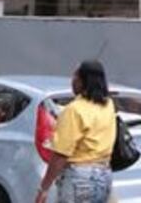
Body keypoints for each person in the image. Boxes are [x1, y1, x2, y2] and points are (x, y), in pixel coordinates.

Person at [36, 60, 117, 203]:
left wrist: (44, 189)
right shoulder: (108, 105)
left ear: (83, 82)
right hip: (104, 174)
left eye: (75, 77)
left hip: (79, 178)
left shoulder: (74, 110)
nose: (72, 81)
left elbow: (60, 154)